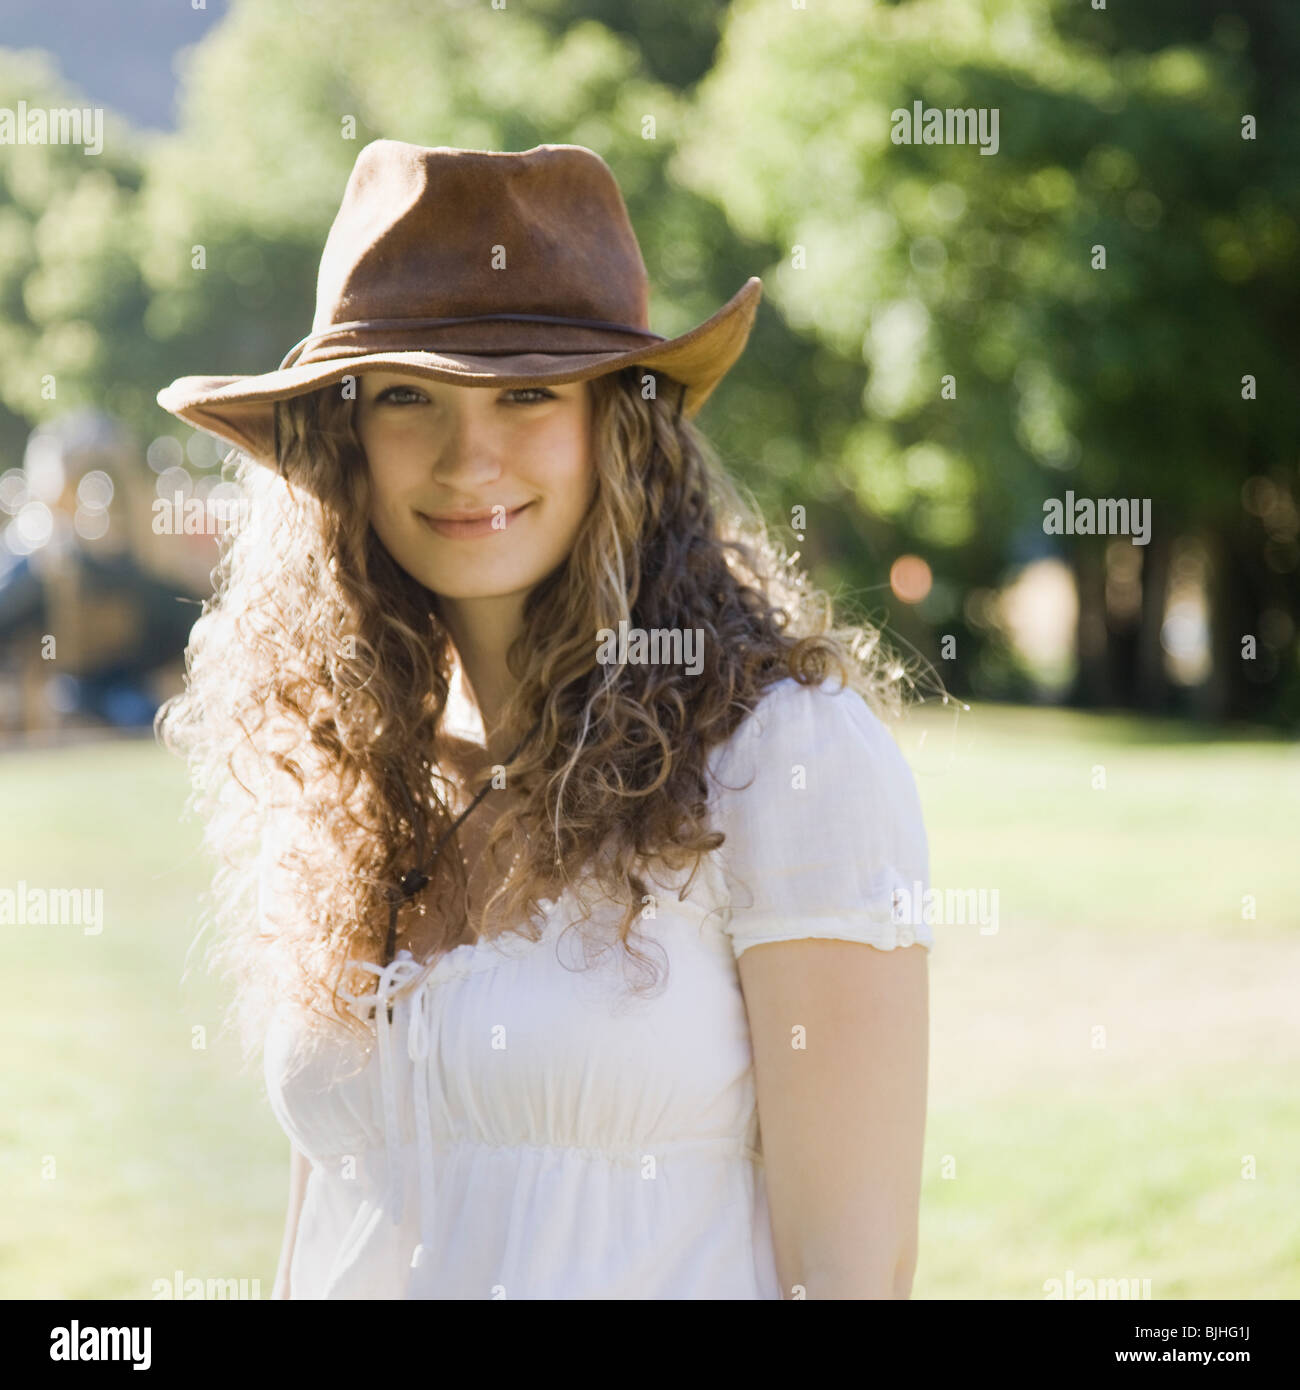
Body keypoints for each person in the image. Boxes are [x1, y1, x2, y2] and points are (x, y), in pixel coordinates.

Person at [155, 139, 932, 1300]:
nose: (471, 458)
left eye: (527, 393)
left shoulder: (785, 758)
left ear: (619, 425)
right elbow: (329, 1220)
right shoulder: (356, 771)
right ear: (344, 441)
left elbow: (848, 1282)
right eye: (409, 397)